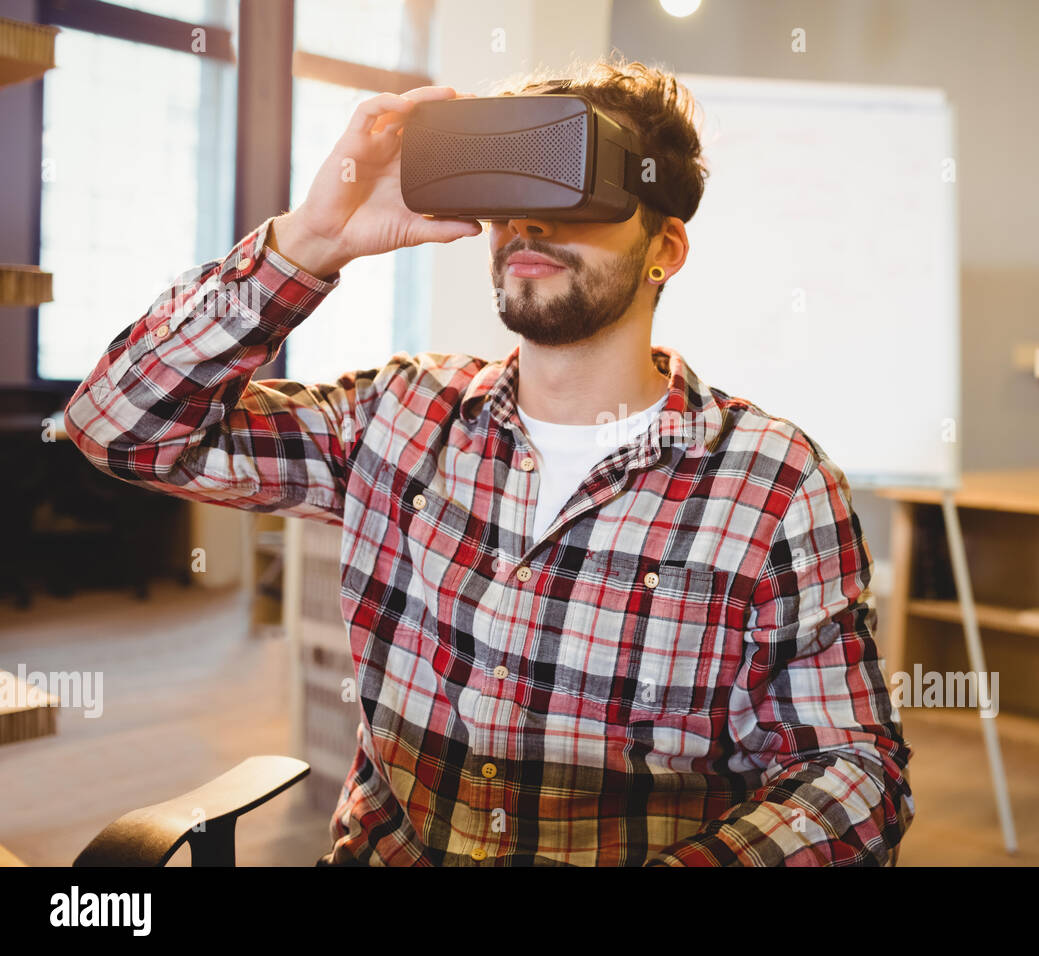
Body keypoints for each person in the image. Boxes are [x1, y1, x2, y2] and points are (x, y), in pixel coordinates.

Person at [63, 56, 914, 866]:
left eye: (574, 192)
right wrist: (310, 242)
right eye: (508, 192)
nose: (529, 222)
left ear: (666, 248)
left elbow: (854, 774)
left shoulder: (773, 482)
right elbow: (115, 426)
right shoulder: (400, 418)